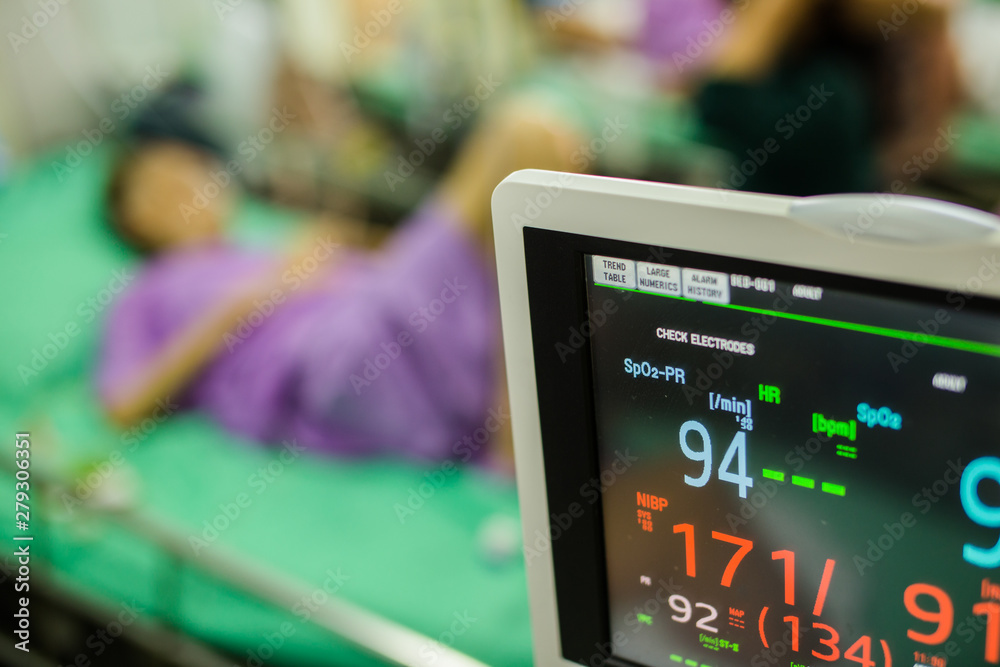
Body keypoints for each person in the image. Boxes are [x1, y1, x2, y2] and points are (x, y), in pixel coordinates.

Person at [98, 96, 580, 464]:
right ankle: (513, 439)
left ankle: (513, 427)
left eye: (189, 171)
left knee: (543, 145)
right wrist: (252, 300)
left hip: (372, 319)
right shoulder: (149, 288)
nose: (186, 184)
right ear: (133, 220)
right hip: (330, 362)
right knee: (524, 134)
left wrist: (329, 260)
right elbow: (121, 406)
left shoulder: (258, 247)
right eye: (158, 185)